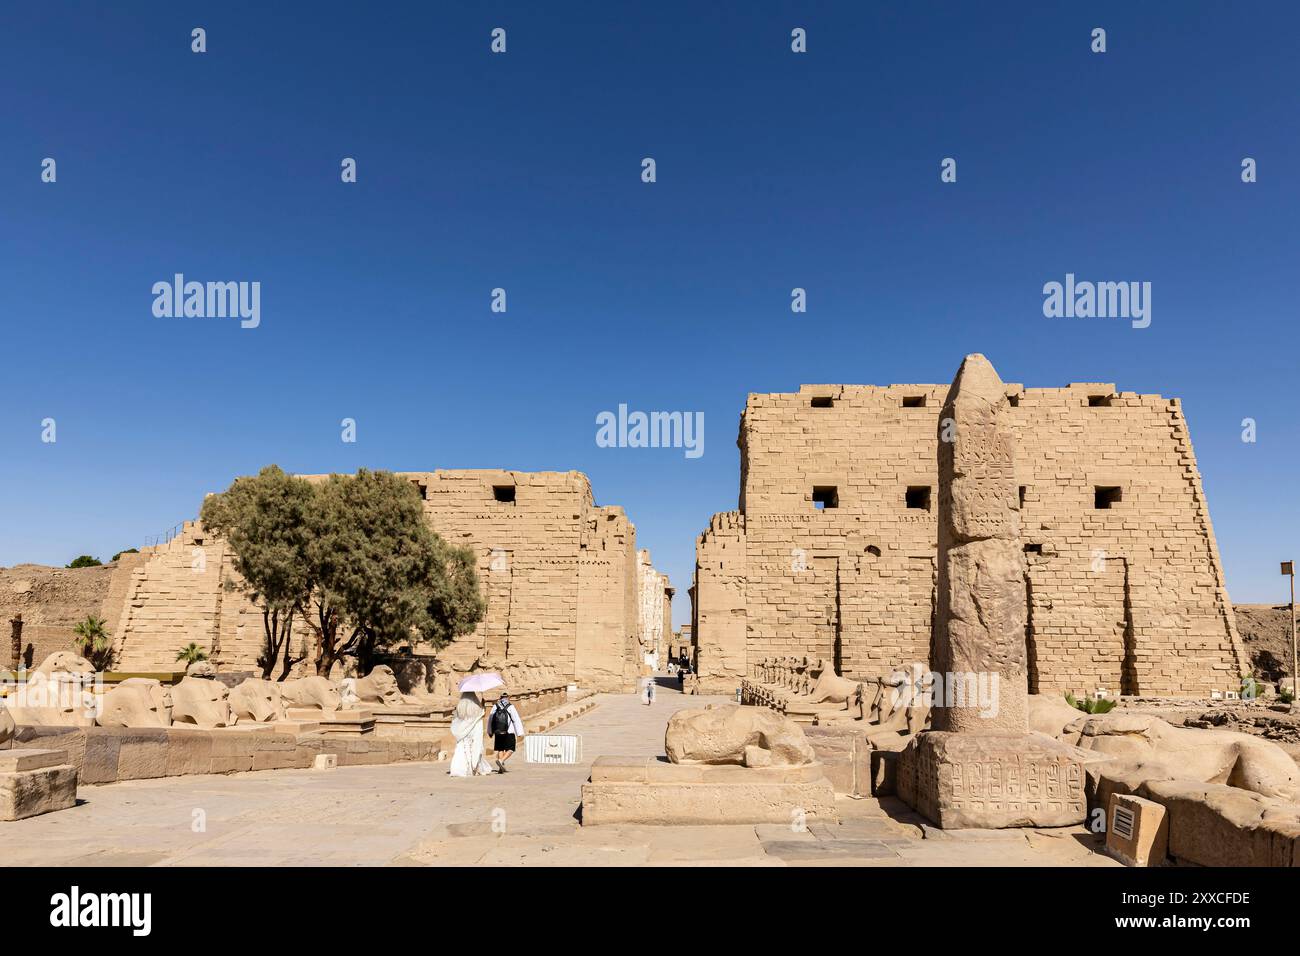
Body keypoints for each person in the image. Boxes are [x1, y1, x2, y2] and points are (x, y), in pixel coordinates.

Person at [448, 691, 493, 777]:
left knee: (462, 748)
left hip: (463, 731)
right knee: (474, 748)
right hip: (473, 730)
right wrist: (483, 705)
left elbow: (457, 718)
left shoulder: (460, 706)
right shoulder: (476, 706)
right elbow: (481, 715)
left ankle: (460, 769)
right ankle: (474, 767)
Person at [488, 692, 525, 773]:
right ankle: (501, 761)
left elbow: (490, 719)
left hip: (498, 731)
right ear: (507, 698)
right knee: (511, 749)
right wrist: (519, 732)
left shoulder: (495, 706)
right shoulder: (510, 707)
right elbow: (516, 719)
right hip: (509, 731)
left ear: (500, 697)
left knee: (500, 749)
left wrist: (490, 731)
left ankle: (501, 768)